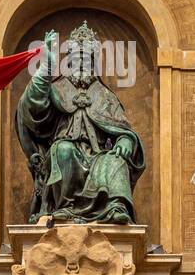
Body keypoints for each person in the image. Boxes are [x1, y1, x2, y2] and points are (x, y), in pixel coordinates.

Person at [15, 24, 144, 225]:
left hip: (98, 155)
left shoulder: (104, 95)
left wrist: (126, 140)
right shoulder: (57, 88)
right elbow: (32, 107)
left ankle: (114, 208)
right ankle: (66, 207)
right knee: (64, 151)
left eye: (86, 60)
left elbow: (123, 128)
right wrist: (46, 70)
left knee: (115, 161)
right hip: (65, 149)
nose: (81, 64)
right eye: (76, 59)